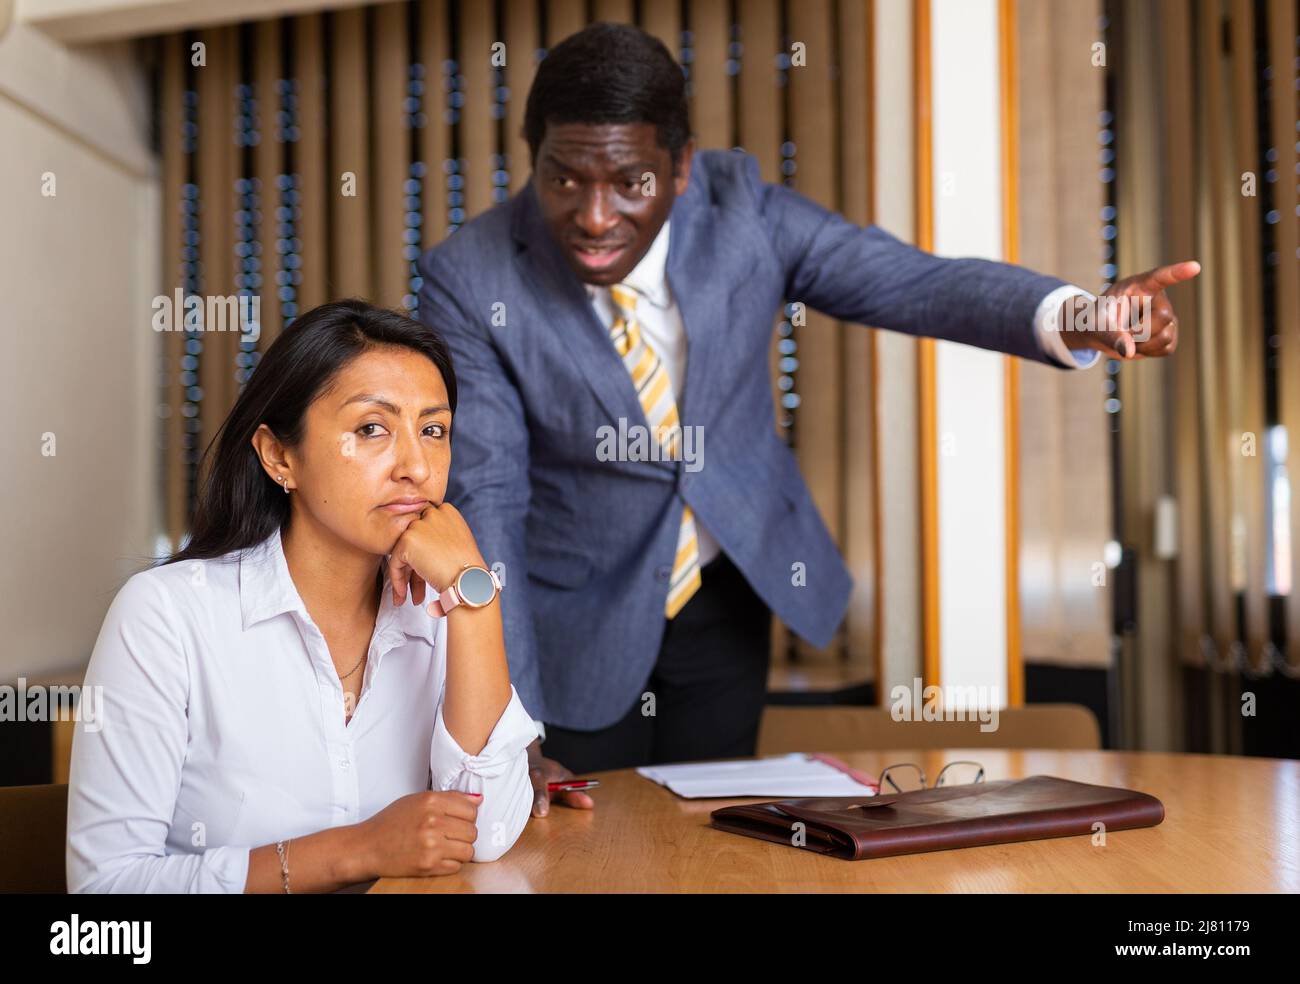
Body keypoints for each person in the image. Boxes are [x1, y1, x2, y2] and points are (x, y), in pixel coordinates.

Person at [414, 23, 1198, 814]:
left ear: (681, 169)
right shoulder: (470, 275)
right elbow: (490, 499)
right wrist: (509, 727)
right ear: (532, 156)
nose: (593, 215)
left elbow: (911, 282)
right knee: (586, 843)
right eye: (564, 179)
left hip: (728, 591)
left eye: (629, 183)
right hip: (569, 613)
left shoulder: (745, 213)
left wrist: (1077, 314)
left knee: (710, 837)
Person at [66, 299, 537, 892]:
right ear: (280, 456)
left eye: (434, 430)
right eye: (372, 429)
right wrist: (355, 850)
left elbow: (487, 833)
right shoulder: (166, 615)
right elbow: (103, 895)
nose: (416, 466)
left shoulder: (443, 610)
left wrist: (475, 596)